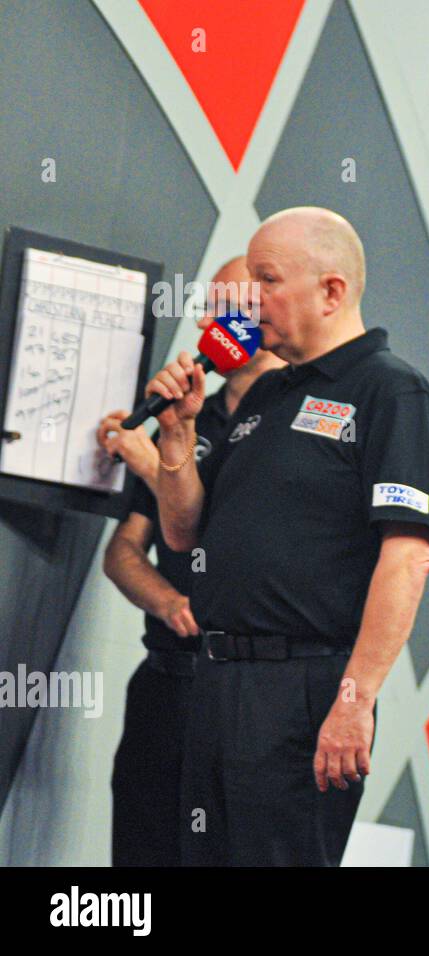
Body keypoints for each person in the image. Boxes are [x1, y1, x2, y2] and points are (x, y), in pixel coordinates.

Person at [144, 207, 429, 866]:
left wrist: (353, 701)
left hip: (303, 690)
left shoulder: (392, 393)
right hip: (218, 683)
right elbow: (181, 530)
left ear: (332, 292)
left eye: (266, 280)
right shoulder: (265, 396)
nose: (247, 302)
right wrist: (176, 435)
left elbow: (408, 558)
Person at [98, 255, 285, 866]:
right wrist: (167, 601)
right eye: (208, 307)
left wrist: (149, 463)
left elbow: (229, 532)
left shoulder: (295, 421)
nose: (209, 321)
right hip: (166, 681)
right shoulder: (182, 413)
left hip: (245, 695)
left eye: (228, 310)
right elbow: (125, 549)